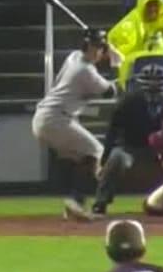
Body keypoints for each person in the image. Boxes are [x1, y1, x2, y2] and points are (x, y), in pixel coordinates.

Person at [32, 28, 125, 221]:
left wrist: (106, 50)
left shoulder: (74, 56)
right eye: (98, 47)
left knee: (85, 158)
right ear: (89, 46)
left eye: (102, 47)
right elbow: (111, 92)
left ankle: (75, 205)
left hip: (48, 117)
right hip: (56, 119)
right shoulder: (85, 71)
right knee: (95, 151)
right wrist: (117, 65)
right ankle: (76, 201)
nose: (101, 51)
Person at [92, 63, 163, 217]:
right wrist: (105, 158)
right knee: (117, 156)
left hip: (161, 150)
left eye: (157, 82)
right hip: (132, 148)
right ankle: (101, 201)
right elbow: (113, 130)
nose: (153, 86)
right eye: (150, 81)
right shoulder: (128, 102)